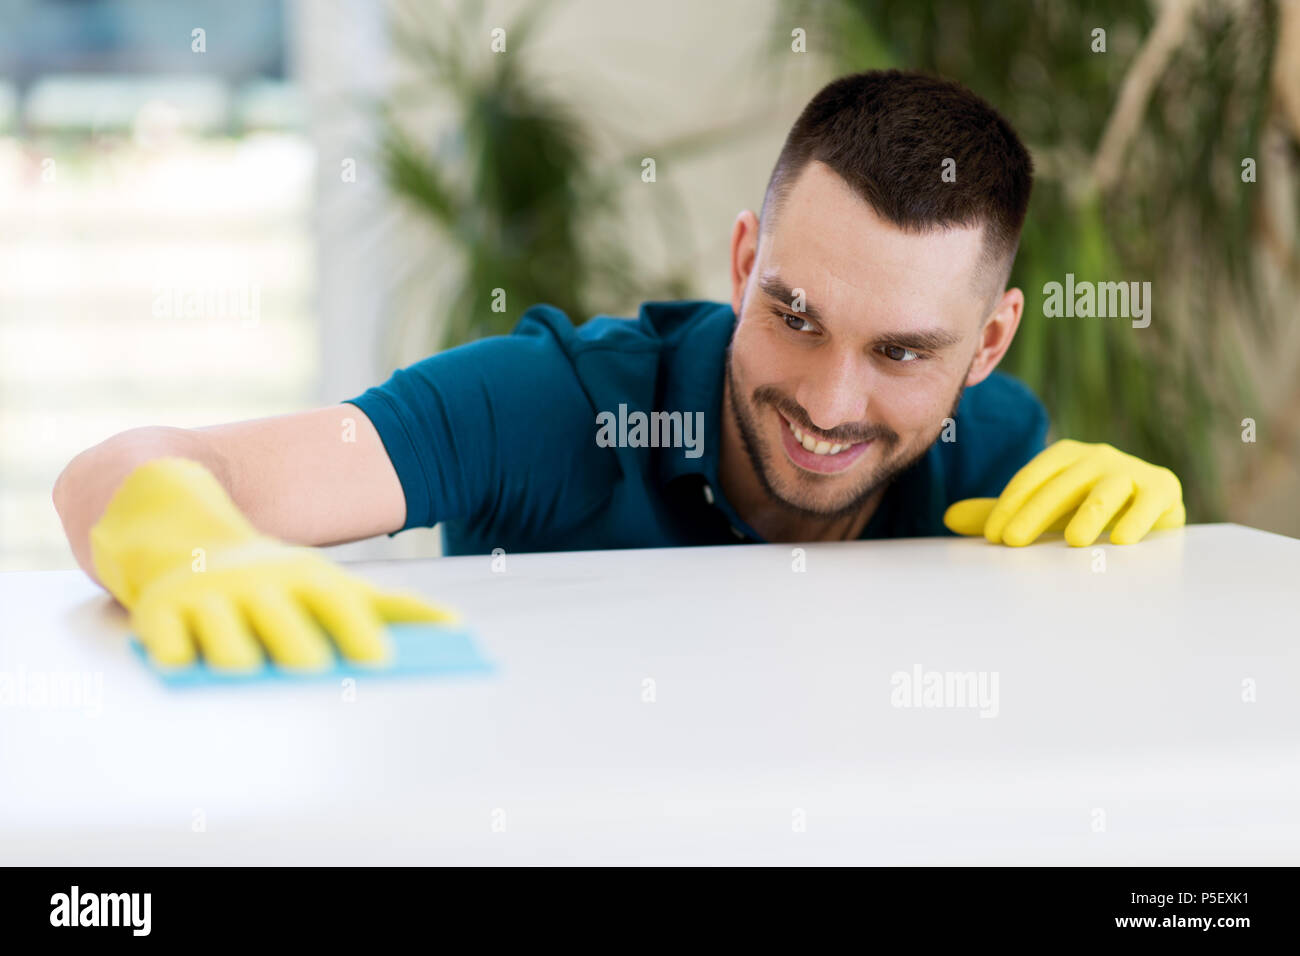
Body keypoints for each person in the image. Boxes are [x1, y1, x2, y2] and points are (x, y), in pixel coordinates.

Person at [52, 70, 1184, 671]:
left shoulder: (995, 451)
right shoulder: (557, 405)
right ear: (744, 261)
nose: (830, 402)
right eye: (792, 314)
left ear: (985, 347)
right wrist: (178, 543)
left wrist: (1152, 576)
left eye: (901, 352)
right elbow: (125, 467)